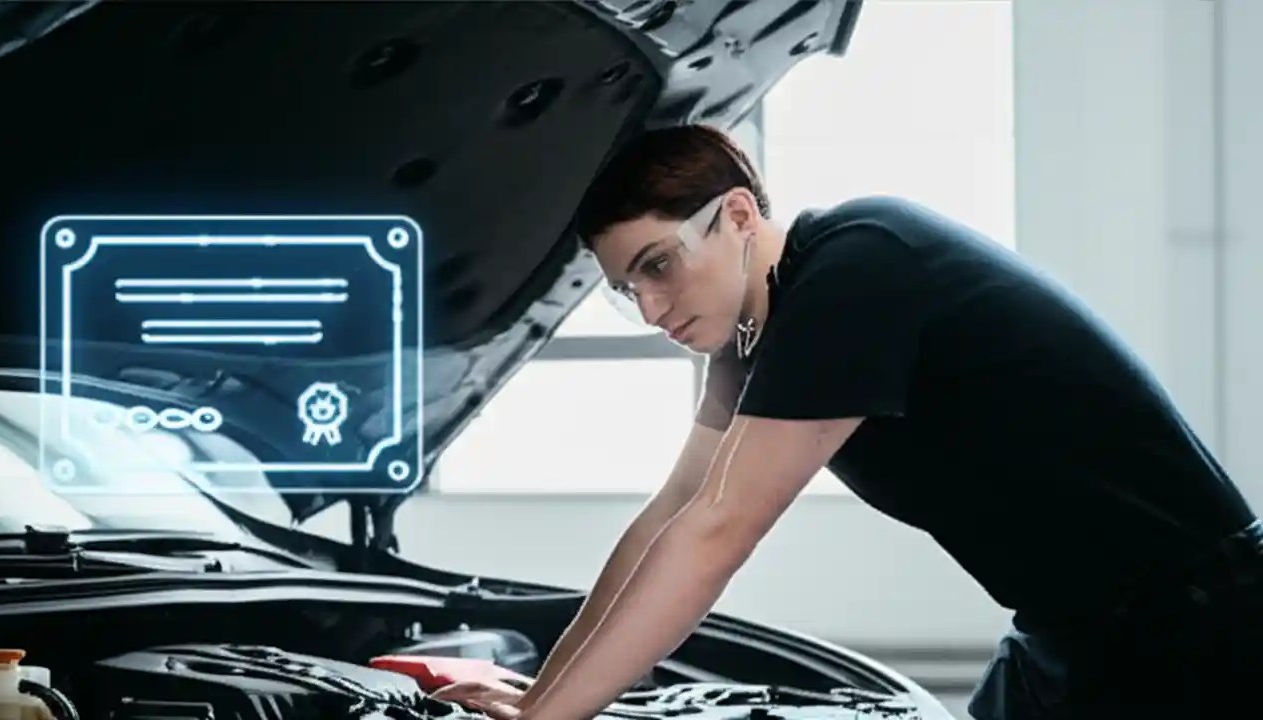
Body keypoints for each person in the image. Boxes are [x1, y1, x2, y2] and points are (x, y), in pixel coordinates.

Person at [430, 124, 1263, 719]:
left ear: (739, 217)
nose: (649, 308)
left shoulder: (857, 269)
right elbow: (672, 514)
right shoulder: (755, 341)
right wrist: (543, 697)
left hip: (1201, 631)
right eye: (625, 291)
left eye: (658, 266)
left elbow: (717, 532)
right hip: (1069, 637)